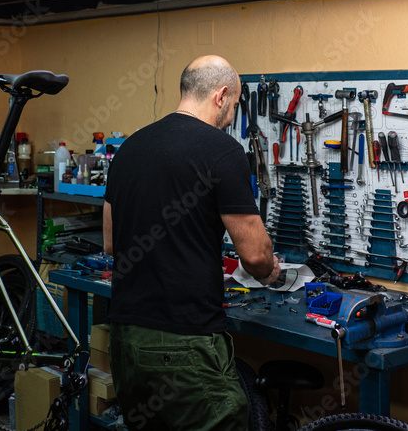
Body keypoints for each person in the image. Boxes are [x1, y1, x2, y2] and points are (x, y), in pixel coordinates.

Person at [102, 55, 280, 431]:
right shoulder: (222, 151)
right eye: (234, 106)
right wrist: (271, 269)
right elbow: (254, 255)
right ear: (221, 95)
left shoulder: (129, 148)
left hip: (126, 340)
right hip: (184, 343)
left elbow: (110, 242)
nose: (231, 117)